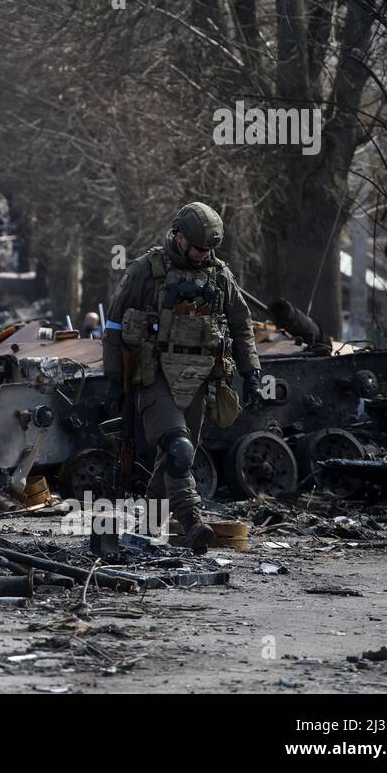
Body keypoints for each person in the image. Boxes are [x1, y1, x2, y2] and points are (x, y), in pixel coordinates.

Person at [101, 201, 262, 554]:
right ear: (178, 237)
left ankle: (144, 532)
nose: (203, 255)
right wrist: (113, 378)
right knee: (178, 449)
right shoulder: (146, 270)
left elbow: (241, 324)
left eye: (209, 249)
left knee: (173, 459)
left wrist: (251, 372)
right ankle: (192, 521)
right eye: (198, 248)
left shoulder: (220, 275)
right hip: (155, 375)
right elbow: (113, 325)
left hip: (201, 377)